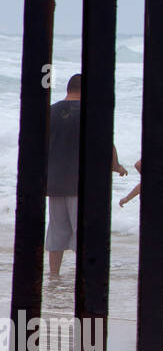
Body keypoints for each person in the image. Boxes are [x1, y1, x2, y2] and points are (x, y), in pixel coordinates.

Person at [45, 73, 128, 276]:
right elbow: (106, 142)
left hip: (54, 184)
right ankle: (84, 276)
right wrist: (115, 165)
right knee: (82, 232)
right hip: (81, 184)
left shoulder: (49, 112)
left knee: (57, 231)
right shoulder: (91, 112)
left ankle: (54, 275)